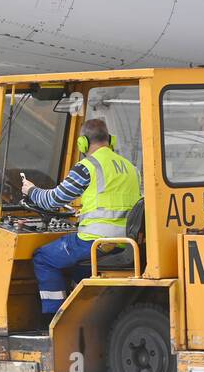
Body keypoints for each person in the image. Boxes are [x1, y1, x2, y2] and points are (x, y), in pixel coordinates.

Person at [20, 118, 141, 317]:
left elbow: (52, 200)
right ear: (111, 140)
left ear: (82, 143)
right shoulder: (131, 168)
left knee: (44, 258)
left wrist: (31, 190)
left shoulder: (88, 167)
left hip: (95, 241)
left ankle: (54, 317)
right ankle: (80, 310)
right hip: (126, 243)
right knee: (77, 268)